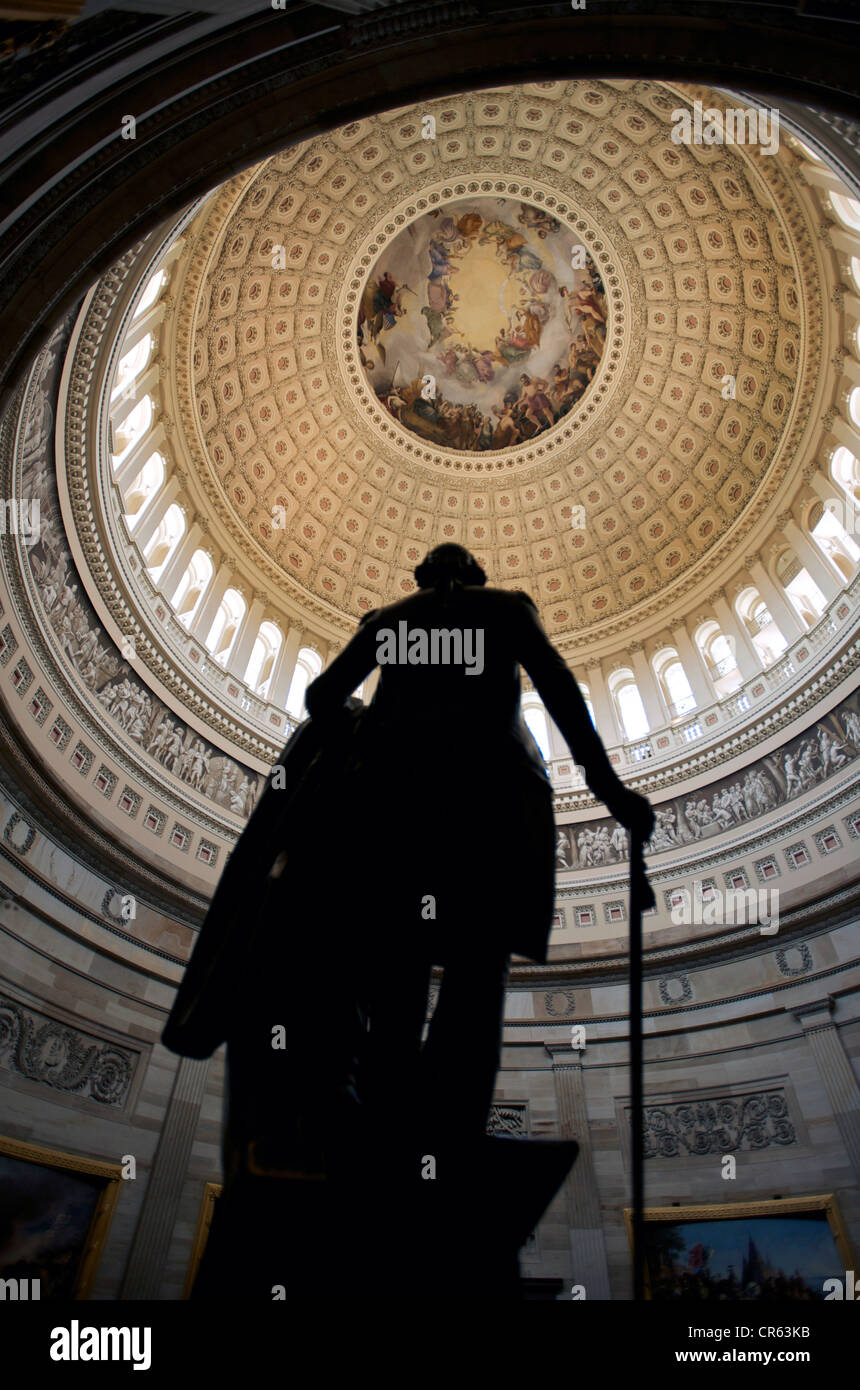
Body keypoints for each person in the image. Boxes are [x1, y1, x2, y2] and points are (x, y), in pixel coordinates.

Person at [302, 543, 654, 1148]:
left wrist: (359, 735)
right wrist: (611, 791)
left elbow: (320, 697)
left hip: (397, 806)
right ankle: (449, 1132)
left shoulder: (390, 620)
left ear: (422, 577)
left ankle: (386, 1129)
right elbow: (563, 696)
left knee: (396, 974)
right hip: (492, 804)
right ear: (475, 574)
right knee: (478, 975)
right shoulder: (506, 609)